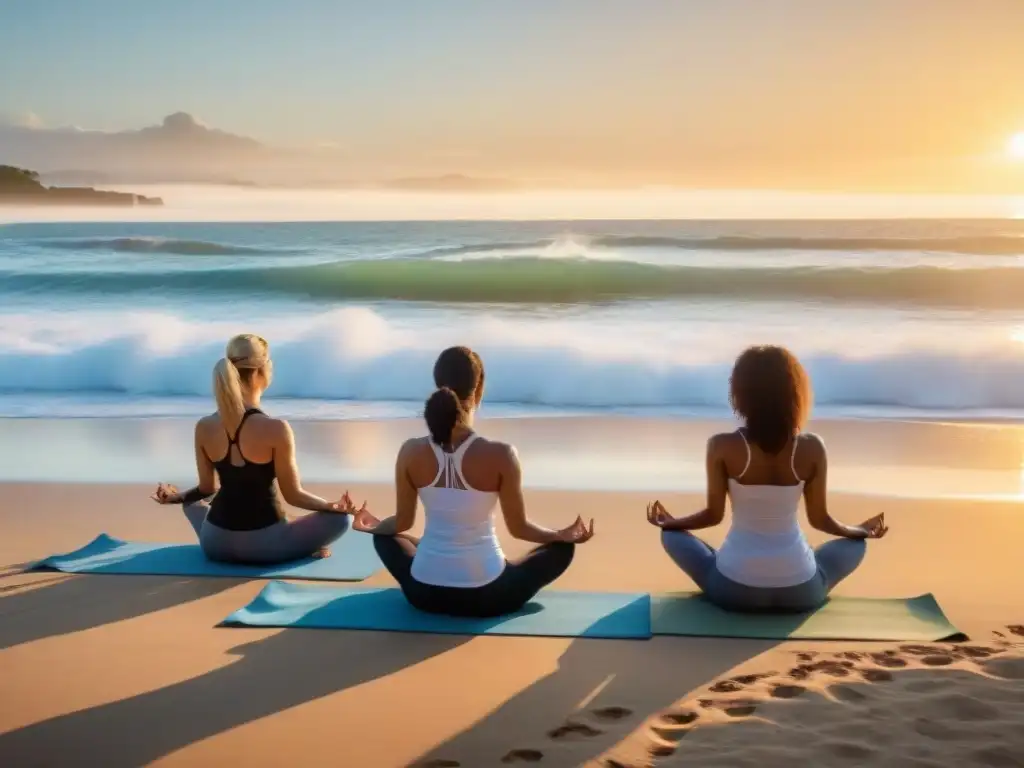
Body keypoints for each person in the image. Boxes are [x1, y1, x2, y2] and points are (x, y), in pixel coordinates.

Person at [352, 345, 594, 618]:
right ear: (478, 390)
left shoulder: (410, 451)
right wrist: (559, 535)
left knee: (386, 538)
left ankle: (432, 553)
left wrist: (373, 526)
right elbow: (519, 529)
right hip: (488, 596)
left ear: (436, 386)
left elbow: (402, 523)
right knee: (561, 550)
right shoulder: (501, 454)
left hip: (423, 593)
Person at [647, 345, 888, 612]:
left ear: (741, 393)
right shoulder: (813, 447)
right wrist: (859, 531)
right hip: (801, 592)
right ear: (794, 392)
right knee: (855, 547)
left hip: (734, 590)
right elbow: (820, 520)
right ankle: (804, 569)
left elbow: (713, 516)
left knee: (671, 537)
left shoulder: (721, 445)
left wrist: (672, 523)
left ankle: (728, 565)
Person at [151, 333, 356, 564]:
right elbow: (294, 495)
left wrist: (176, 497)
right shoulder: (276, 428)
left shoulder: (204, 426)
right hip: (266, 548)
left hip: (214, 544)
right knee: (341, 520)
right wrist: (331, 506)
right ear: (262, 371)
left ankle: (190, 505)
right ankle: (304, 546)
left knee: (192, 501)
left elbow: (208, 488)